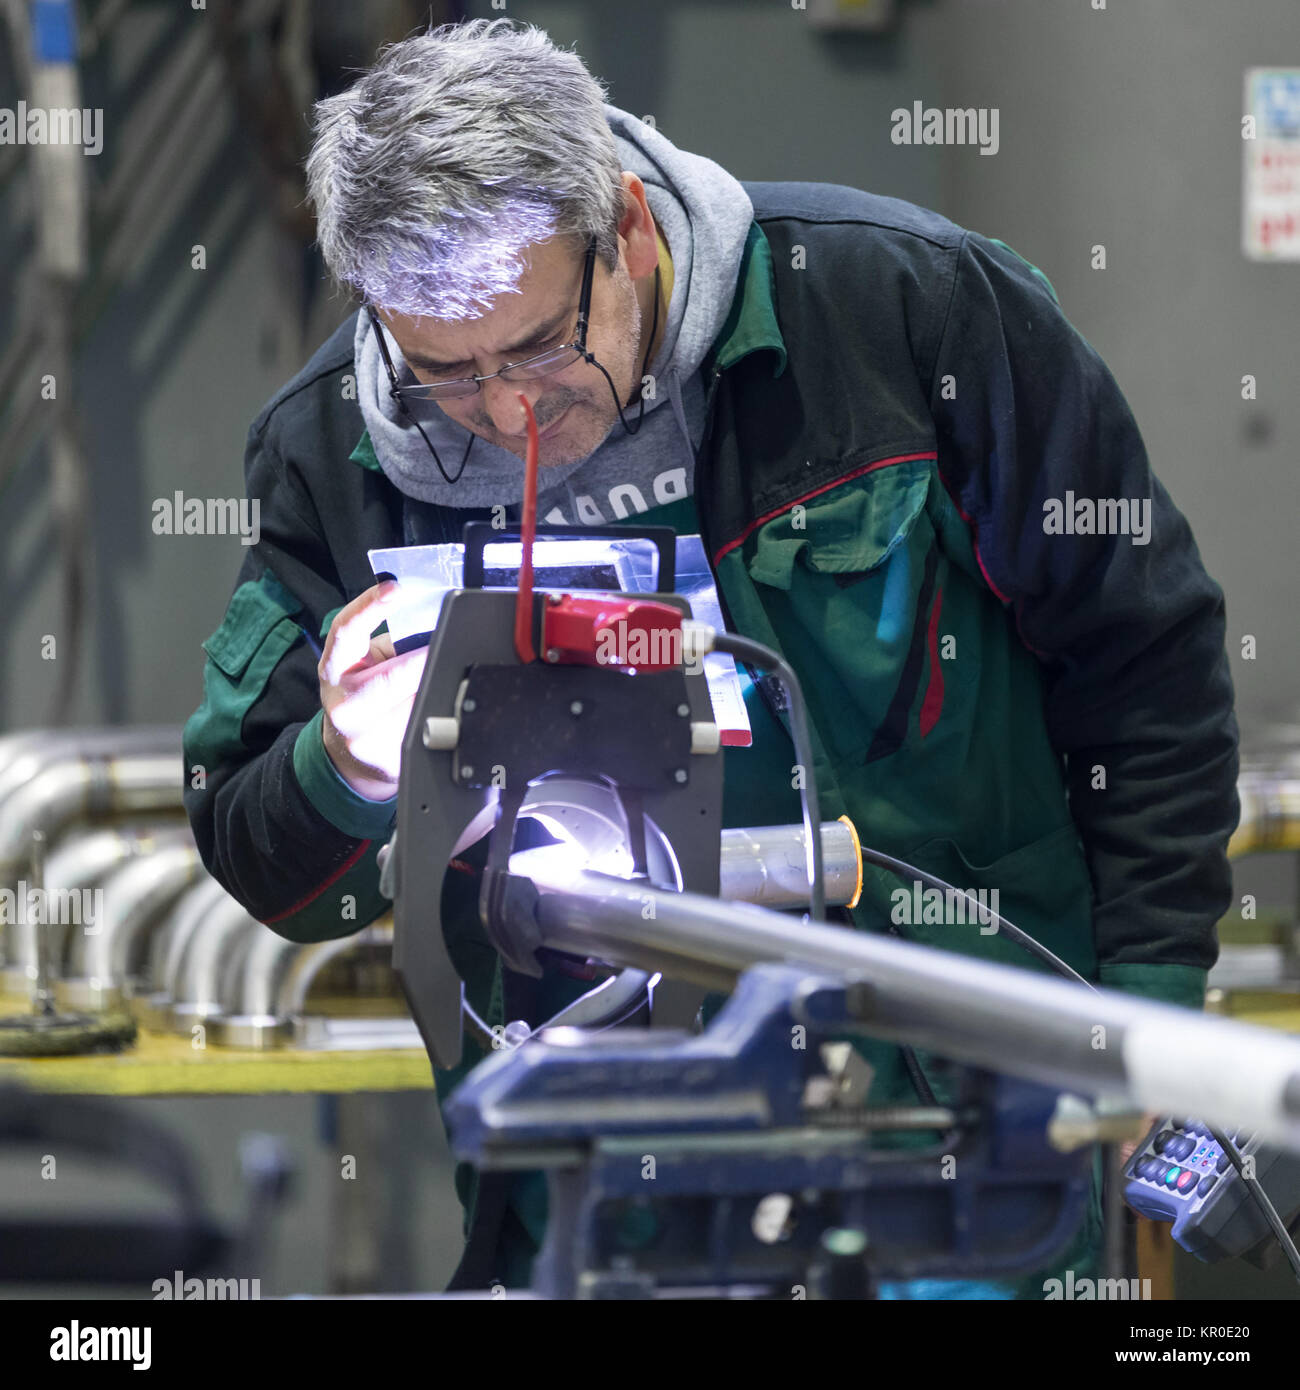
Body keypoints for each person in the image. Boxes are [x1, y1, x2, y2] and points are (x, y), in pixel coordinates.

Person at [182, 19, 1239, 1298]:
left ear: (624, 224)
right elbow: (273, 867)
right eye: (446, 378)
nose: (511, 414)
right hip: (600, 1180)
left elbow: (1145, 665)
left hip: (969, 1141)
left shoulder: (904, 317)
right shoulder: (330, 459)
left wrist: (1146, 1016)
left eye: (536, 350)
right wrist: (346, 761)